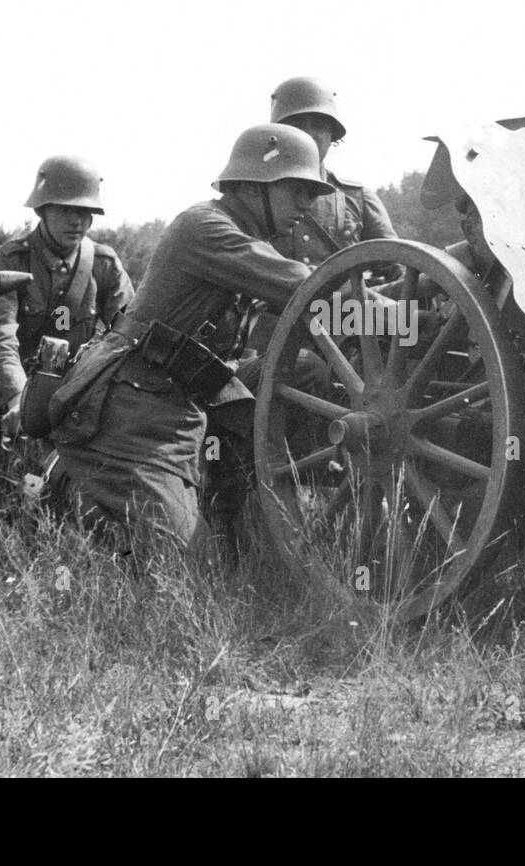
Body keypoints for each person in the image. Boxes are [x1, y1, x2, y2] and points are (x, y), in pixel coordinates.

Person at [47, 124, 333, 559]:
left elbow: (311, 307)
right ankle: (73, 484)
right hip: (135, 408)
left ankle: (257, 486)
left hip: (194, 396)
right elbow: (304, 285)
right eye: (298, 190)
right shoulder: (204, 228)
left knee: (306, 368)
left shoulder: (246, 237)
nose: (308, 205)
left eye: (312, 194)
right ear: (254, 187)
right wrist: (404, 304)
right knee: (191, 564)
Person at [0, 155, 134, 471]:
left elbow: (128, 338)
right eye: (65, 209)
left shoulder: (104, 265)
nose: (76, 221)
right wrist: (19, 400)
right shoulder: (7, 261)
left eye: (84, 211)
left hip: (75, 395)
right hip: (9, 394)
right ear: (42, 209)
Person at [268, 75, 397, 267]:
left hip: (348, 298)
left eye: (319, 125)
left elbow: (396, 265)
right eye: (297, 126)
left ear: (332, 136)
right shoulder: (257, 195)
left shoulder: (358, 198)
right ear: (278, 135)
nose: (309, 134)